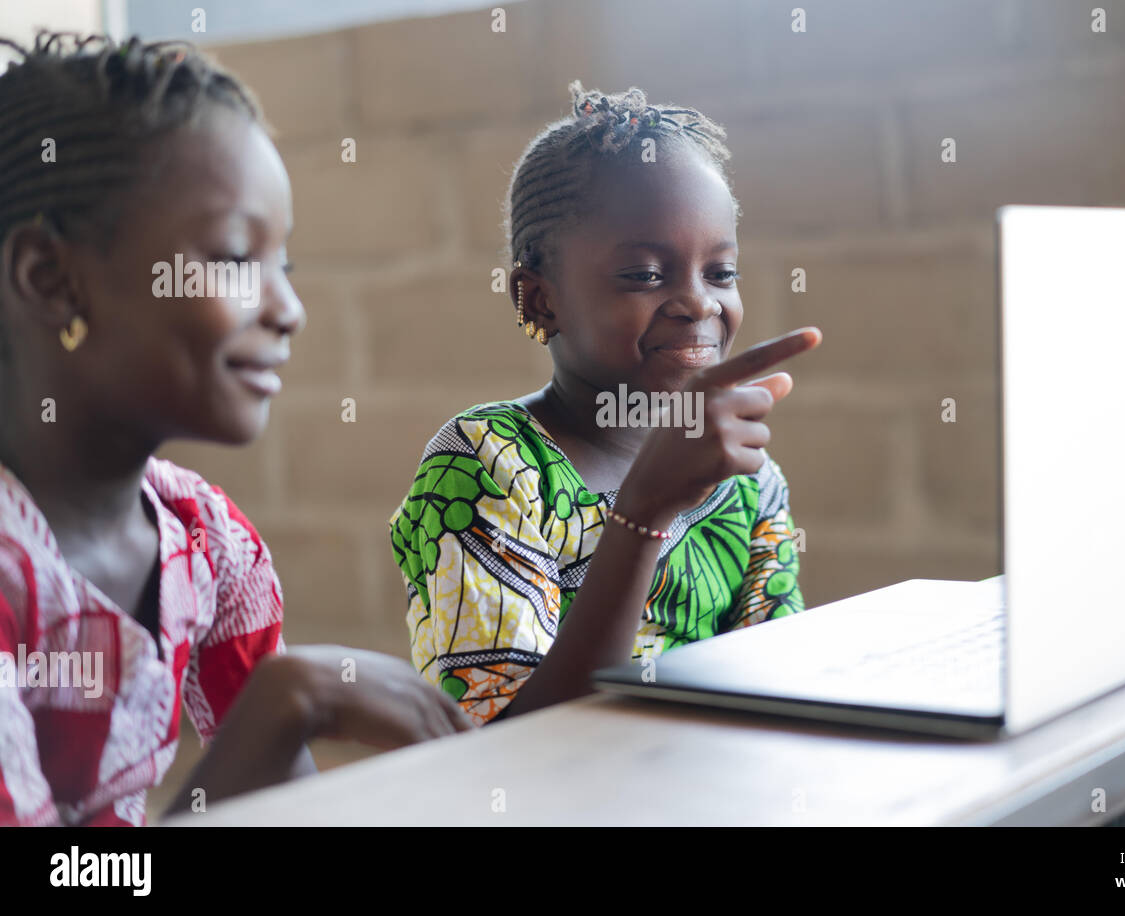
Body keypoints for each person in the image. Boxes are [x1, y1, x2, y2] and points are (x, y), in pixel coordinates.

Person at [0, 32, 470, 828]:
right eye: (231, 257)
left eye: (282, 264)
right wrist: (288, 702)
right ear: (52, 278)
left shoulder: (204, 539)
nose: (288, 310)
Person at [390, 81, 821, 727]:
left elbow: (779, 693)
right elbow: (501, 743)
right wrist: (644, 510)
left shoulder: (748, 482)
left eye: (720, 272)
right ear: (539, 300)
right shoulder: (489, 462)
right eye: (646, 275)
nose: (699, 303)